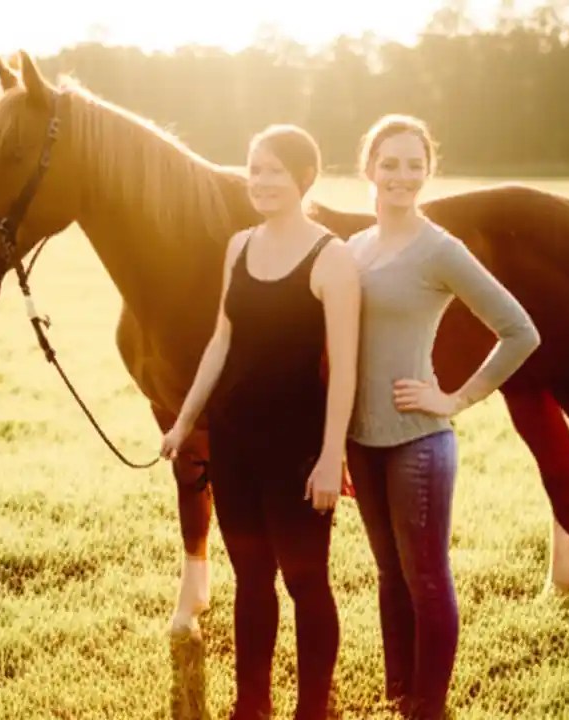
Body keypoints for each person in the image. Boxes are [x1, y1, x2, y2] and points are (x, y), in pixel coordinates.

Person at [160, 124, 360, 720]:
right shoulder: (239, 245)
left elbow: (344, 370)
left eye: (275, 170)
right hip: (235, 443)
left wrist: (332, 456)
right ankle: (252, 705)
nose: (262, 181)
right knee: (250, 579)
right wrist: (185, 420)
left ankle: (312, 711)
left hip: (297, 451)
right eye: (255, 168)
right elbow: (222, 340)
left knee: (305, 583)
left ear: (304, 178)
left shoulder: (332, 257)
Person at [345, 114, 541, 719]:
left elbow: (520, 331)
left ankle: (427, 707)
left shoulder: (440, 248)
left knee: (426, 578)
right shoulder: (355, 247)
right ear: (369, 168)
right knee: (387, 575)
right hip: (361, 439)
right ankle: (397, 693)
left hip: (418, 443)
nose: (401, 175)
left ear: (428, 171)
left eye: (413, 164)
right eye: (390, 162)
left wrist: (455, 399)